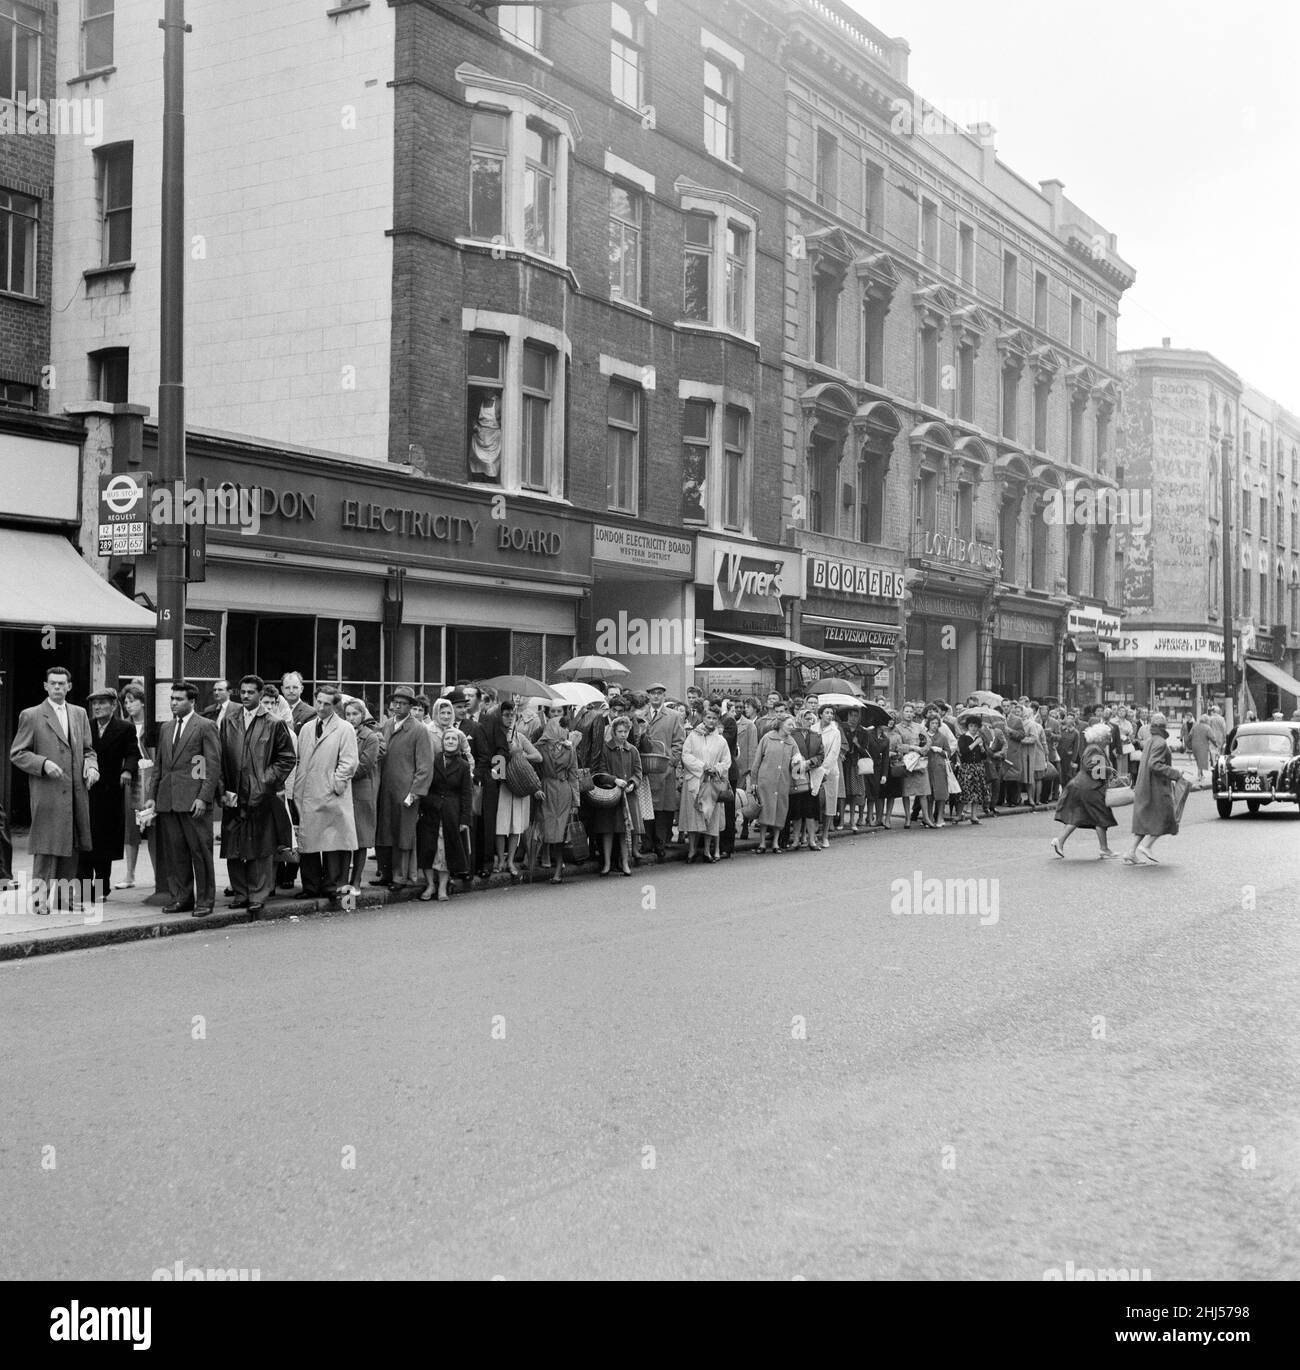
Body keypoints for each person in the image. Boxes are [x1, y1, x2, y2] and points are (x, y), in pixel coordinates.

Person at [9, 665, 99, 913]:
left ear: (69, 686)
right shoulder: (32, 715)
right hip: (48, 792)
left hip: (75, 791)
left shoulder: (79, 714)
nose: (58, 687)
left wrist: (92, 767)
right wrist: (43, 763)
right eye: (53, 683)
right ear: (46, 686)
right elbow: (18, 753)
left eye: (62, 683)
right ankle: (39, 901)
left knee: (71, 845)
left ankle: (65, 899)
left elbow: (89, 750)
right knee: (47, 847)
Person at [217, 676, 296, 915]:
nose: (245, 696)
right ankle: (241, 893)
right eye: (242, 691)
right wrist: (222, 788)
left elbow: (287, 758)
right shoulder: (229, 721)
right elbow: (219, 756)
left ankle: (258, 894)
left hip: (261, 794)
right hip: (234, 791)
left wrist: (265, 781)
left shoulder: (274, 722)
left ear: (260, 694)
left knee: (260, 846)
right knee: (233, 845)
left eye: (251, 692)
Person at [141, 681, 221, 915]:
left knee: (200, 852)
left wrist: (203, 798)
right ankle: (182, 898)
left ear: (192, 701)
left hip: (194, 801)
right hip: (169, 800)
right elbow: (160, 766)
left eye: (179, 699)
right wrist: (152, 797)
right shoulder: (166, 728)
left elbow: (212, 765)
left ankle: (205, 901)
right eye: (172, 699)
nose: (174, 703)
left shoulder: (205, 726)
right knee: (176, 853)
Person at [294, 686, 359, 901]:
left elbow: (349, 762)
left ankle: (331, 886)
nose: (321, 707)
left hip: (330, 792)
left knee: (332, 841)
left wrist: (336, 784)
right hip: (308, 791)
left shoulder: (345, 728)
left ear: (334, 705)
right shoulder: (306, 728)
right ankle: (311, 886)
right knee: (309, 841)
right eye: (318, 702)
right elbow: (300, 758)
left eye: (327, 704)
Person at [77, 688, 134, 901]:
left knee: (104, 841)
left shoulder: (124, 728)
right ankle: (82, 886)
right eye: (94, 704)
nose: (97, 707)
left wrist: (128, 770)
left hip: (110, 791)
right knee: (84, 838)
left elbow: (132, 752)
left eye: (102, 703)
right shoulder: (85, 725)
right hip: (86, 789)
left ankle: (101, 886)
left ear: (113, 705)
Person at [374, 685, 433, 887]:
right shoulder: (387, 725)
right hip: (385, 788)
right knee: (384, 832)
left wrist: (415, 792)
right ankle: (385, 874)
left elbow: (425, 766)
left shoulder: (419, 730)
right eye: (395, 703)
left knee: (403, 834)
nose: (397, 706)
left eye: (402, 703)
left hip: (405, 791)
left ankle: (400, 877)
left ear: (411, 706)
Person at [1125, 712, 1187, 866]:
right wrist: (1175, 773)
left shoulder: (1151, 740)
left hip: (1144, 785)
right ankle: (1146, 846)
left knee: (1144, 820)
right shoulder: (1160, 742)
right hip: (1157, 787)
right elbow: (1155, 764)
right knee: (1167, 816)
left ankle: (1131, 852)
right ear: (1164, 726)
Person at [418, 728, 473, 901]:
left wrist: (465, 819)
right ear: (442, 741)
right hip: (430, 810)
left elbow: (467, 793)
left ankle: (442, 887)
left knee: (444, 851)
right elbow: (424, 783)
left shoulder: (463, 766)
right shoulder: (433, 760)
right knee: (427, 848)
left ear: (458, 743)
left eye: (454, 739)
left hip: (451, 813)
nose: (450, 741)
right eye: (447, 738)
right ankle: (430, 885)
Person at [1051, 722, 1119, 859]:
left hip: (1082, 786)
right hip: (1089, 788)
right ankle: (1104, 849)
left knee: (1079, 816)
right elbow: (1093, 769)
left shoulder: (1094, 748)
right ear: (1100, 738)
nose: (1110, 740)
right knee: (1101, 816)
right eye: (1107, 737)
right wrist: (1109, 771)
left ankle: (1060, 841)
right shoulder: (1095, 749)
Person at [494, 699, 543, 878]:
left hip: (519, 785)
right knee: (501, 824)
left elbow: (538, 756)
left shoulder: (520, 736)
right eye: (505, 715)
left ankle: (510, 860)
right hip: (502, 786)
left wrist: (521, 754)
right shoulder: (495, 734)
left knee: (515, 826)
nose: (509, 718)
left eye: (512, 715)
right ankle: (500, 859)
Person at [591, 714, 642, 876]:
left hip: (628, 796)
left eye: (626, 731)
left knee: (624, 830)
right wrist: (614, 780)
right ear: (613, 731)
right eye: (620, 731)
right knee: (608, 830)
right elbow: (600, 772)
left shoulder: (632, 750)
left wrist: (632, 783)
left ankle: (625, 863)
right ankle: (606, 863)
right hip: (610, 796)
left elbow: (638, 771)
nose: (623, 734)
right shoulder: (606, 749)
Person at [534, 704, 579, 884]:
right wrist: (535, 788)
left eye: (565, 727)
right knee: (543, 828)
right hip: (545, 789)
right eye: (560, 726)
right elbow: (533, 769)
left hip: (563, 790)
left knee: (560, 832)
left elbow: (574, 775)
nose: (563, 730)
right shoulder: (540, 747)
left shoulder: (570, 749)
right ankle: (536, 862)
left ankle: (558, 870)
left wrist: (576, 802)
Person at [639, 683, 685, 859]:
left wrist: (672, 763)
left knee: (663, 808)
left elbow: (679, 742)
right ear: (648, 696)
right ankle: (646, 842)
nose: (656, 697)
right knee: (646, 805)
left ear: (664, 696)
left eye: (659, 694)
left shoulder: (673, 716)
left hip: (664, 768)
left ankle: (660, 843)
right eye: (653, 694)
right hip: (645, 767)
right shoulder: (641, 715)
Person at [679, 708, 730, 863]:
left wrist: (716, 768)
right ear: (703, 718)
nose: (711, 721)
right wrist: (702, 766)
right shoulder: (693, 736)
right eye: (708, 717)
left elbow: (727, 761)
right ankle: (692, 850)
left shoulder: (721, 740)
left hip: (712, 783)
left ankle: (707, 850)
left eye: (715, 718)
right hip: (694, 780)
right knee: (693, 816)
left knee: (710, 816)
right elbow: (685, 755)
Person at [345, 698, 381, 890]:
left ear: (362, 715)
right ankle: (342, 879)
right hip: (343, 790)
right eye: (348, 714)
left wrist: (342, 774)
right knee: (344, 836)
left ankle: (356, 879)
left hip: (361, 789)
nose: (351, 718)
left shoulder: (370, 737)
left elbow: (365, 765)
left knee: (361, 837)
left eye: (355, 714)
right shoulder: (341, 732)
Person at [751, 715, 797, 853]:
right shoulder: (767, 738)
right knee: (765, 810)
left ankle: (776, 843)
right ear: (781, 724)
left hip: (783, 781)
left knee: (780, 810)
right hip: (766, 781)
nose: (792, 727)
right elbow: (757, 761)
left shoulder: (792, 742)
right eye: (790, 724)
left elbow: (797, 761)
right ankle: (762, 842)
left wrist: (799, 763)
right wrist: (754, 781)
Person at [889, 704, 931, 830]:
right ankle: (907, 817)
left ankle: (926, 817)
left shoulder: (919, 727)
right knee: (906, 792)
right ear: (902, 713)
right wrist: (912, 748)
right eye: (906, 711)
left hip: (919, 762)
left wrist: (922, 749)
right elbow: (898, 745)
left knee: (923, 790)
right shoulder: (897, 729)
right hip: (906, 762)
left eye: (911, 711)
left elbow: (928, 741)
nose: (908, 714)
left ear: (914, 714)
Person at [787, 708, 824, 850]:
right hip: (796, 776)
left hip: (811, 776)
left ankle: (812, 840)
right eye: (807, 718)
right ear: (799, 719)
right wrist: (797, 763)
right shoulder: (792, 735)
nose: (810, 721)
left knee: (811, 810)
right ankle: (796, 840)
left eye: (811, 719)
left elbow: (821, 755)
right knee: (796, 810)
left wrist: (810, 762)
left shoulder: (816, 735)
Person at [814, 704, 843, 847]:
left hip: (830, 771)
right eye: (827, 712)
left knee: (829, 803)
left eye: (831, 713)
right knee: (814, 803)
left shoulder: (835, 731)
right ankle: (812, 834)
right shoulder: (813, 728)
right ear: (820, 714)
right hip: (814, 770)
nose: (829, 715)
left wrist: (824, 768)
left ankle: (825, 836)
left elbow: (834, 753)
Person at [922, 704, 953, 828]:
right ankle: (928, 817)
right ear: (928, 724)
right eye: (932, 723)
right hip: (926, 767)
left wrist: (940, 751)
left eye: (936, 723)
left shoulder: (942, 737)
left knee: (940, 794)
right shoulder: (923, 736)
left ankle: (940, 817)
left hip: (939, 767)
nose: (934, 725)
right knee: (928, 794)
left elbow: (948, 753)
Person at [955, 717, 988, 824]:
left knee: (977, 792)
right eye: (971, 726)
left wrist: (982, 748)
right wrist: (974, 744)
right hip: (966, 767)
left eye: (975, 726)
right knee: (964, 791)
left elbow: (984, 756)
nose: (973, 728)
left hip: (978, 767)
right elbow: (963, 751)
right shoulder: (963, 738)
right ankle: (959, 814)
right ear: (968, 727)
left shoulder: (980, 738)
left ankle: (974, 815)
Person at [1186, 713, 1213, 785]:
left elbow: (1190, 735)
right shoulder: (1207, 727)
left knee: (1198, 760)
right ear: (1207, 720)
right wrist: (1216, 744)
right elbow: (1211, 737)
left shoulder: (1195, 726)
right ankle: (1199, 776)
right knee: (1201, 760)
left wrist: (1189, 743)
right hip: (1203, 745)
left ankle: (1201, 775)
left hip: (1194, 745)